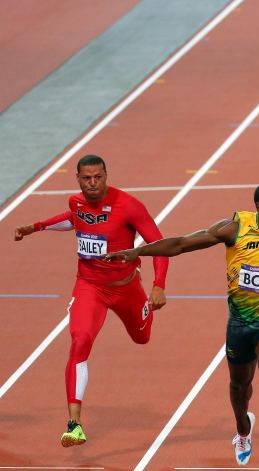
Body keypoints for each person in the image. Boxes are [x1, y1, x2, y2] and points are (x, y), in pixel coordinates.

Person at [103, 182, 259, 468]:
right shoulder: (235, 228)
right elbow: (181, 244)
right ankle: (242, 429)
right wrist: (139, 252)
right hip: (240, 321)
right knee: (240, 385)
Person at [14, 154, 168, 447]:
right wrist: (36, 227)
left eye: (98, 177)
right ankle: (74, 425)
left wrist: (158, 285)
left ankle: (144, 310)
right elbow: (72, 219)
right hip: (89, 287)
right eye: (86, 178)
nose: (93, 183)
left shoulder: (129, 206)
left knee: (142, 338)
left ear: (106, 175)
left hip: (125, 289)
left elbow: (160, 245)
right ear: (78, 179)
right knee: (79, 340)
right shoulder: (77, 202)